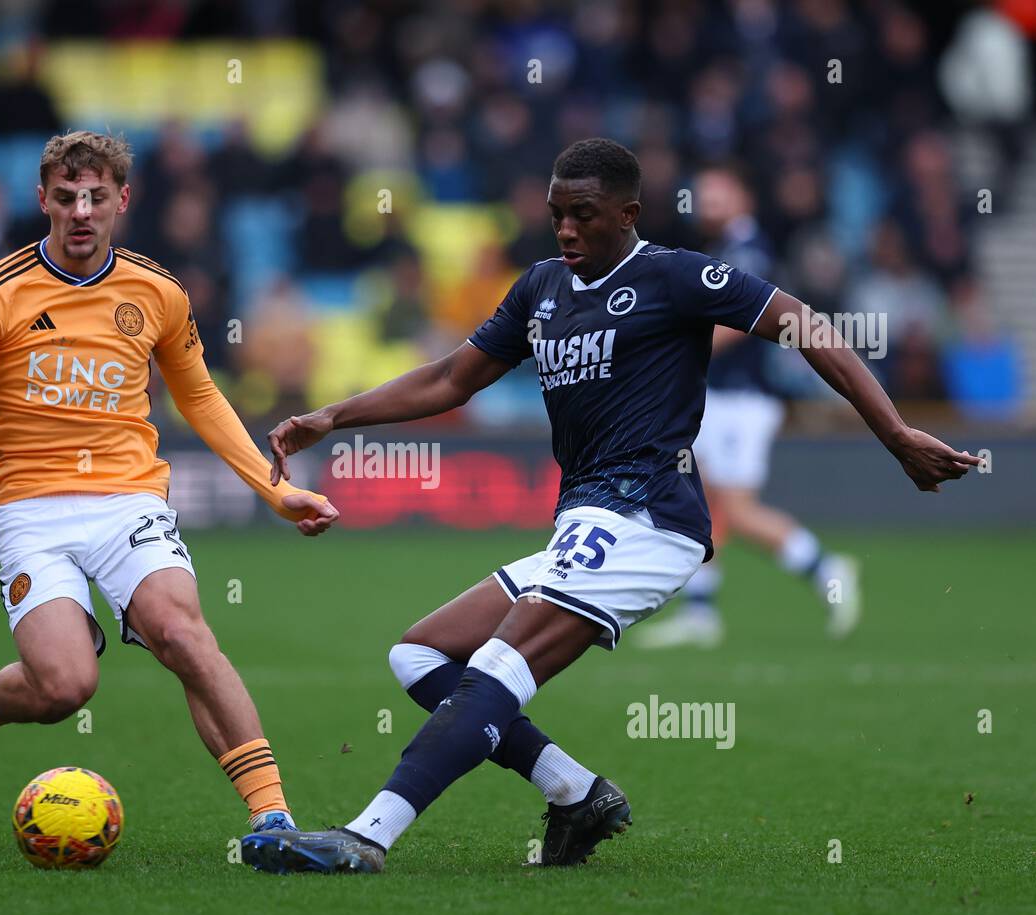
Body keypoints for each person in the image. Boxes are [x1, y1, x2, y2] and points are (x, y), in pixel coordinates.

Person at [239, 138, 977, 874]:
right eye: (558, 214)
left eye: (583, 216)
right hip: (587, 517)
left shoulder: (675, 277)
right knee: (421, 654)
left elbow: (807, 326)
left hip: (648, 519)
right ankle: (575, 792)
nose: (565, 230)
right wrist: (333, 416)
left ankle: (367, 837)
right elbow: (451, 379)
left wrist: (894, 432)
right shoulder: (541, 287)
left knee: (497, 664)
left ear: (627, 213)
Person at [0, 131, 339, 837]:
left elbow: (200, 397)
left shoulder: (158, 291)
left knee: (183, 633)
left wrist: (276, 492)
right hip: (29, 506)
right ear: (42, 200)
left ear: (122, 200)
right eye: (66, 197)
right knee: (65, 687)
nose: (81, 211)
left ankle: (272, 817)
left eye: (96, 197)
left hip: (128, 499)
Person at [635, 164, 859, 649]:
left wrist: (673, 358)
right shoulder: (725, 251)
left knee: (732, 509)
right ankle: (701, 613)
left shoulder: (748, 251)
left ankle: (825, 567)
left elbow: (741, 324)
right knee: (706, 505)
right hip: (722, 398)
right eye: (701, 195)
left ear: (743, 198)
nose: (706, 203)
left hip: (742, 400)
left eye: (717, 193)